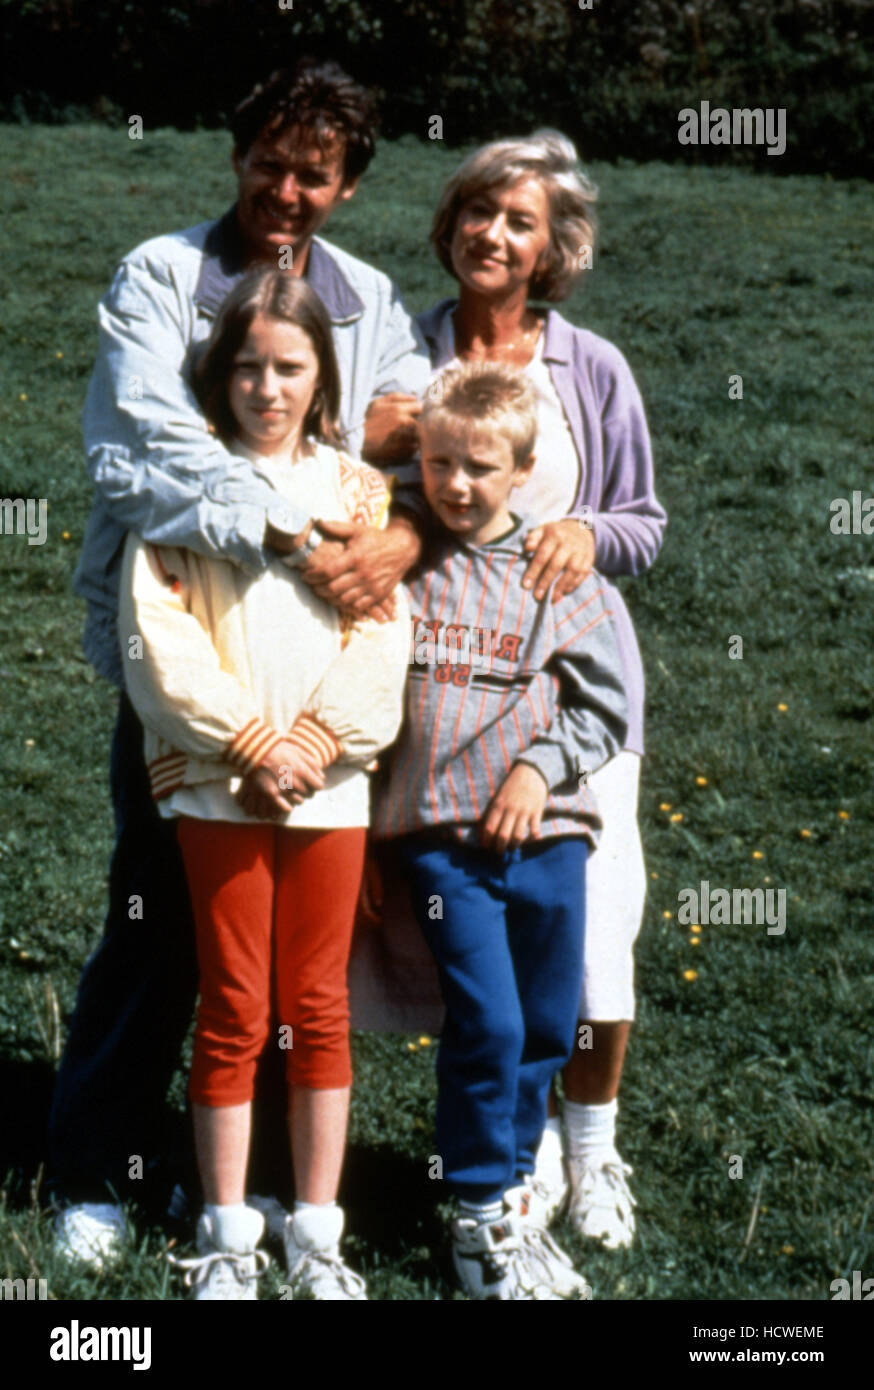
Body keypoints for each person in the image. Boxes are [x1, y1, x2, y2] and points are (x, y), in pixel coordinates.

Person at [49, 57, 431, 1266]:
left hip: (320, 693)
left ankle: (253, 1188)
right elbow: (139, 449)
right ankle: (95, 1169)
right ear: (234, 157)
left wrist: (402, 531)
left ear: (350, 187)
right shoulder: (164, 276)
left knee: (293, 960)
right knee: (161, 919)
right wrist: (281, 518)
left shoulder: (366, 300)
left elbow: (418, 447)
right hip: (189, 671)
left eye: (315, 174)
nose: (287, 189)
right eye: (269, 162)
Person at [392, 130, 666, 1247]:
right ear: (450, 220)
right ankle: (511, 1157)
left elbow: (643, 527)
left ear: (554, 248)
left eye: (519, 222)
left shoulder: (587, 366)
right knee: (471, 956)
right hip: (443, 697)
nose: (491, 235)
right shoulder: (400, 351)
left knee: (592, 935)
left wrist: (580, 530)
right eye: (477, 211)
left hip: (573, 696)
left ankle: (592, 1153)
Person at [118, 268, 409, 1299]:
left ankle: (317, 1230)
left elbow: (383, 639)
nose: (268, 387)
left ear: (321, 375)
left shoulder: (356, 493)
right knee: (237, 1002)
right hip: (217, 784)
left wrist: (318, 742)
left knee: (316, 1002)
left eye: (290, 367)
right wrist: (249, 741)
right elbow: (159, 643)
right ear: (218, 375)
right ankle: (227, 1231)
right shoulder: (180, 491)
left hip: (328, 786)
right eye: (247, 366)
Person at [371, 362, 628, 1299]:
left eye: (481, 466)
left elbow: (610, 705)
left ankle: (516, 1192)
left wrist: (539, 766)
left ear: (523, 471)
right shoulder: (407, 562)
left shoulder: (555, 572)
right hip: (440, 842)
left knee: (547, 1026)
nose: (457, 484)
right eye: (439, 462)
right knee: (489, 1019)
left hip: (552, 836)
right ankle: (477, 1215)